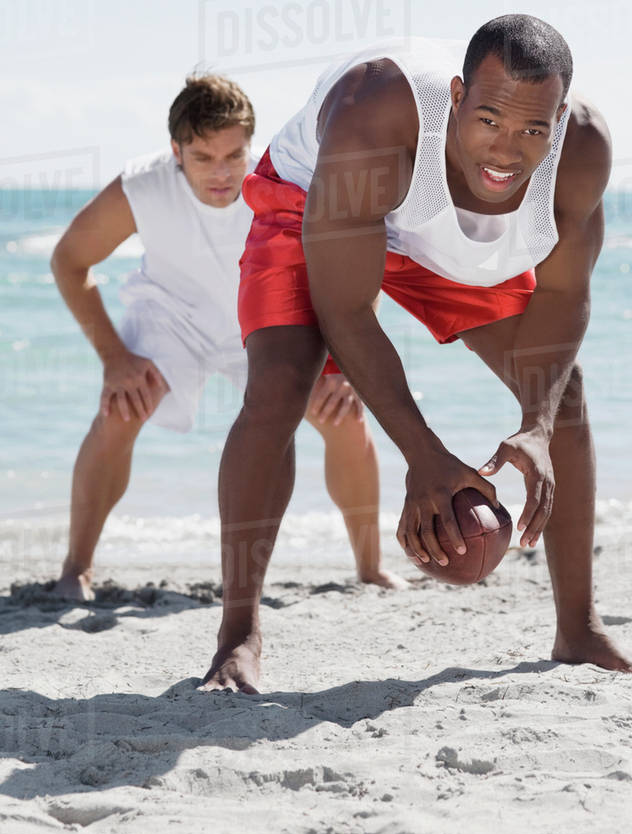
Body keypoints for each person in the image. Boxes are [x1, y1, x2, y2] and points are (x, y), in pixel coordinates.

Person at [200, 17, 632, 693]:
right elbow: (345, 309)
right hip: (317, 201)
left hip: (422, 233)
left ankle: (579, 629)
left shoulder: (583, 149)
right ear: (454, 94)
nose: (506, 150)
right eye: (489, 121)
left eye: (533, 130)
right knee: (280, 385)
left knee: (562, 394)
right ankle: (237, 636)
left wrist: (534, 425)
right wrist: (424, 457)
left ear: (559, 120)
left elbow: (564, 299)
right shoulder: (374, 112)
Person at [50, 73, 401, 602]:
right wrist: (114, 357)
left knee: (343, 415)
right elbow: (69, 260)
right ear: (176, 151)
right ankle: (75, 568)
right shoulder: (143, 186)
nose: (222, 173)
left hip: (266, 318)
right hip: (174, 319)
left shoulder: (285, 179)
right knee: (121, 408)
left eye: (234, 156)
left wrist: (343, 365)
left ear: (251, 144)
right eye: (203, 158)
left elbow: (357, 258)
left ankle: (371, 568)